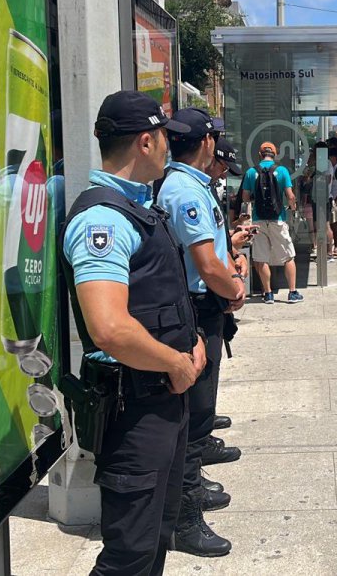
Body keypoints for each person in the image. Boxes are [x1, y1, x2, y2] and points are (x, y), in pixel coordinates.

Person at [60, 90, 206, 574]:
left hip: (163, 399)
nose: (169, 146)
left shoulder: (141, 206)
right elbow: (109, 328)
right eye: (165, 136)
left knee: (155, 537)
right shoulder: (102, 220)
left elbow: (160, 296)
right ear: (146, 141)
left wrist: (193, 341)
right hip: (134, 408)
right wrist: (176, 362)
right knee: (129, 554)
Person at [158, 109, 246, 557]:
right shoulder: (183, 189)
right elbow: (206, 264)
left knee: (198, 410)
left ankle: (190, 493)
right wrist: (234, 287)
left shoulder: (190, 185)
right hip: (195, 307)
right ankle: (185, 519)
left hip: (204, 306)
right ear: (207, 143)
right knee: (191, 416)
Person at [241, 142, 303, 304]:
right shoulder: (282, 171)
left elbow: (245, 198)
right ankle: (292, 292)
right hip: (278, 219)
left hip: (258, 220)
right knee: (288, 256)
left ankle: (268, 294)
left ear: (260, 155)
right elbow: (290, 195)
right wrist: (293, 207)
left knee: (261, 258)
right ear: (274, 155)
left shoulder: (250, 172)